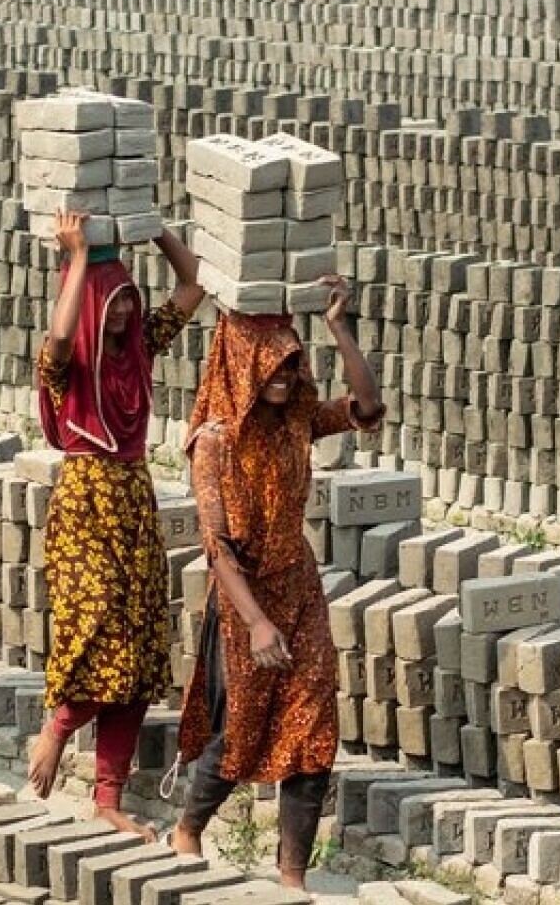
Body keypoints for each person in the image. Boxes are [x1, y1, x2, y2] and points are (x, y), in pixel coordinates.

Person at [170, 277, 384, 889]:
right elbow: (218, 549)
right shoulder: (213, 444)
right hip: (245, 602)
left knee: (314, 727)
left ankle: (293, 875)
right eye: (273, 366)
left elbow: (364, 409)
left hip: (299, 588)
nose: (286, 377)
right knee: (243, 725)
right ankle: (187, 828)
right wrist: (257, 620)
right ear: (241, 362)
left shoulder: (295, 423)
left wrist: (339, 329)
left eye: (292, 363)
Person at [26, 210, 205, 842]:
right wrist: (78, 259)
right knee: (98, 628)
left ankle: (108, 798)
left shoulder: (140, 351)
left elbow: (192, 287)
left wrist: (152, 228)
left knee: (139, 650)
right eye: (115, 305)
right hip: (84, 503)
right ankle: (57, 729)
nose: (125, 314)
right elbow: (57, 338)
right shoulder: (66, 369)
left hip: (134, 499)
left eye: (128, 301)